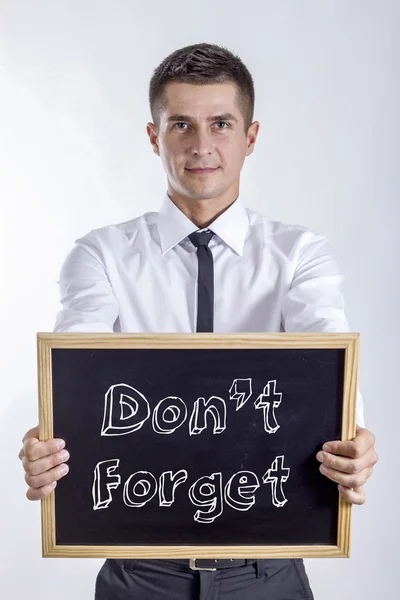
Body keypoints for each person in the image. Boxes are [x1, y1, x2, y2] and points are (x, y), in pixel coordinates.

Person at [18, 43, 378, 599]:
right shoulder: (101, 256)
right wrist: (50, 440)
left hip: (268, 573)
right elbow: (74, 376)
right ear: (153, 137)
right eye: (181, 124)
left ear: (251, 137)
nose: (201, 145)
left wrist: (355, 438)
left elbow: (328, 358)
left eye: (221, 124)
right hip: (141, 574)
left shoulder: (299, 255)